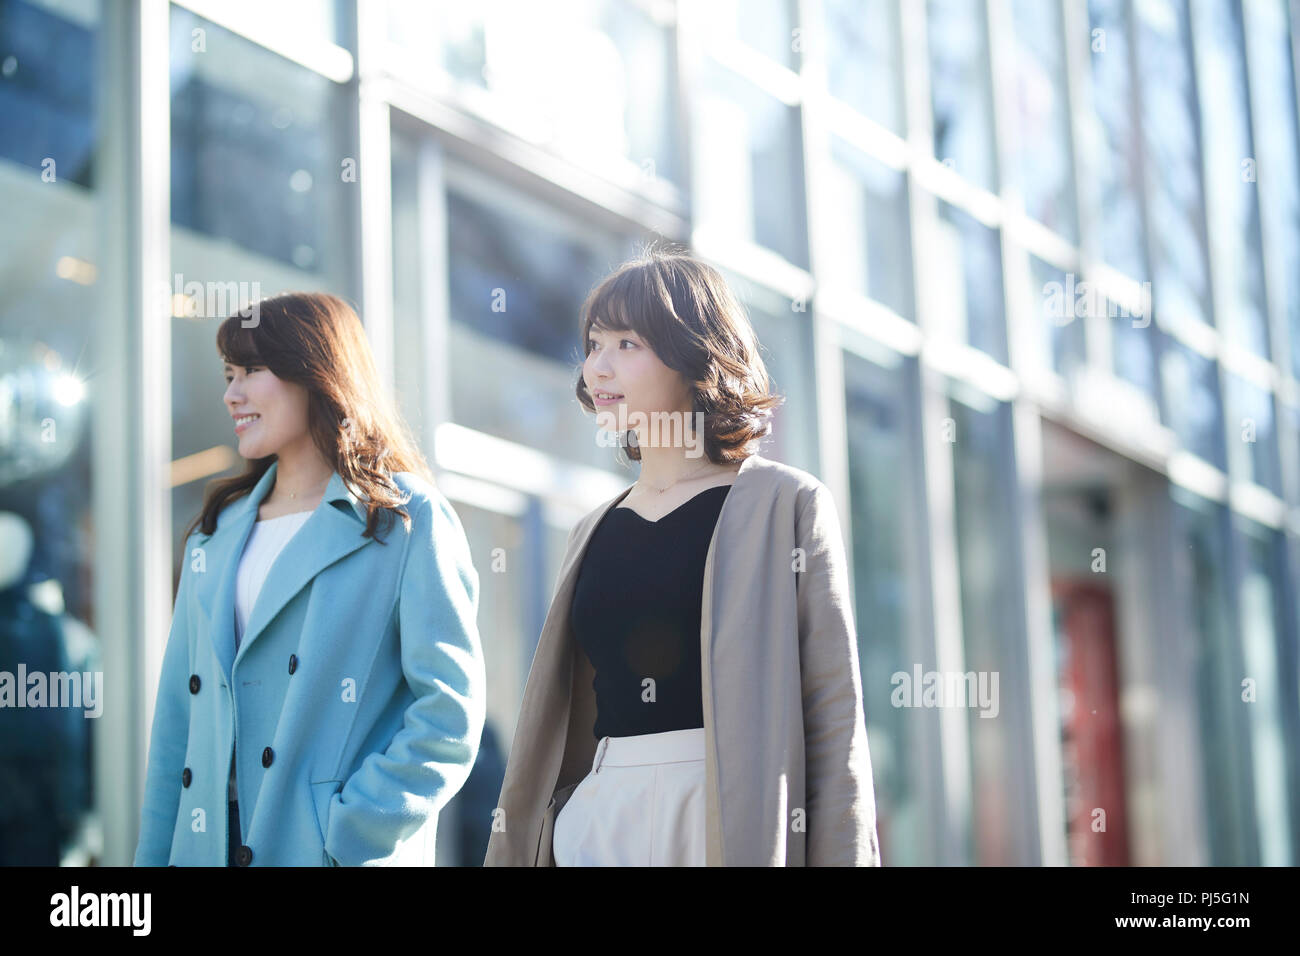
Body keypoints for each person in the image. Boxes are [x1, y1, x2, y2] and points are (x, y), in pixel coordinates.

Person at [484, 247, 881, 866]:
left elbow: (833, 720)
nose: (599, 368)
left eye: (626, 345)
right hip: (600, 820)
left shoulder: (785, 504)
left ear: (695, 357)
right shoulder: (592, 530)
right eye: (593, 345)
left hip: (727, 816)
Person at [134, 291, 485, 866]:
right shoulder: (215, 534)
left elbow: (448, 713)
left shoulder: (401, 518)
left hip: (317, 849)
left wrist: (348, 828)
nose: (231, 394)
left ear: (315, 372)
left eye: (251, 370)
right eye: (228, 374)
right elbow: (179, 717)